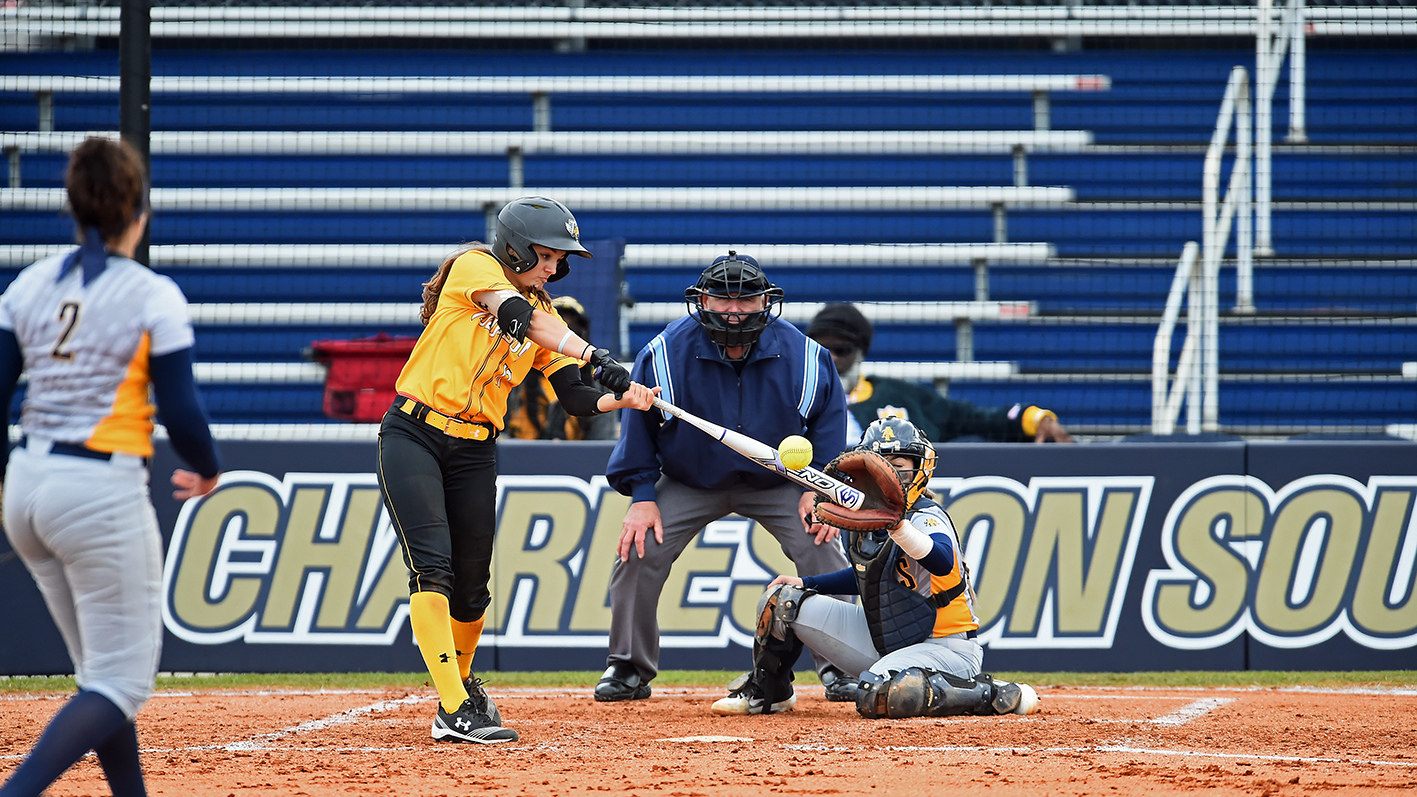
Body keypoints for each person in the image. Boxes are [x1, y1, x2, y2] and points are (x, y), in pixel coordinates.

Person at [376, 196, 659, 744]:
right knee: (433, 567)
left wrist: (622, 398)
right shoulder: (476, 268)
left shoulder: (547, 315)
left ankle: (455, 692)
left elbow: (573, 397)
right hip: (414, 433)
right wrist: (595, 352)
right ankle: (456, 705)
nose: (555, 268)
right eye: (548, 256)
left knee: (474, 586)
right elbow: (516, 317)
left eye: (560, 260)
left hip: (476, 447)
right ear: (515, 247)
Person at [0, 137, 222, 797]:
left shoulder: (31, 283)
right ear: (139, 211)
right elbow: (181, 411)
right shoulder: (152, 294)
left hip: (29, 482)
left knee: (100, 672)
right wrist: (207, 468)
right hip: (97, 487)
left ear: (73, 207)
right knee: (121, 681)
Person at [597, 251, 853, 702]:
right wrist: (641, 496)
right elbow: (639, 424)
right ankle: (628, 666)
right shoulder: (662, 354)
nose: (733, 311)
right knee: (638, 549)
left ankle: (843, 666)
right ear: (703, 300)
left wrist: (821, 489)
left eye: (746, 300)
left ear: (765, 302)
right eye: (722, 299)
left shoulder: (808, 358)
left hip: (781, 481)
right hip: (689, 478)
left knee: (822, 543)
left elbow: (829, 425)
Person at [710, 417, 1040, 719]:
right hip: (883, 641)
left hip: (947, 649)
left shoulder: (926, 515)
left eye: (900, 466)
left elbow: (942, 560)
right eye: (884, 467)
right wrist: (807, 581)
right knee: (781, 600)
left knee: (880, 695)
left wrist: (899, 527)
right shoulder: (866, 519)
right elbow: (869, 577)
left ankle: (996, 694)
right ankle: (770, 693)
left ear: (919, 468)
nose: (893, 476)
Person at [804, 303, 1074, 446]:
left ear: (861, 353)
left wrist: (1031, 418)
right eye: (822, 349)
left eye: (841, 349)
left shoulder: (900, 396)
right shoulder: (794, 397)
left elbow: (974, 419)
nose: (832, 358)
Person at [504, 295, 618, 441]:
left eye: (573, 330)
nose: (563, 341)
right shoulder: (514, 375)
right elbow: (500, 434)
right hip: (519, 459)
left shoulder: (600, 386)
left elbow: (602, 444)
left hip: (576, 460)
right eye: (557, 329)